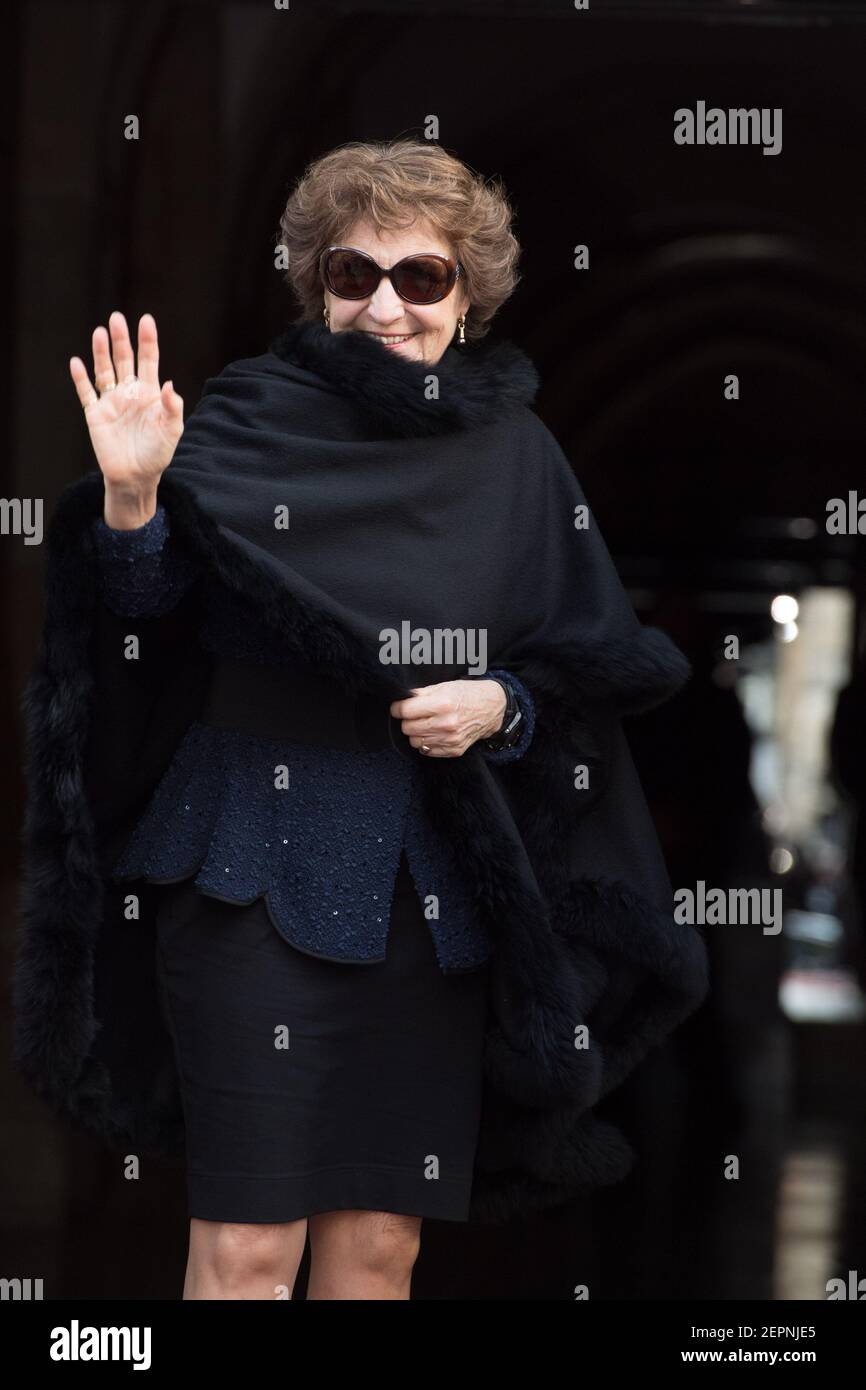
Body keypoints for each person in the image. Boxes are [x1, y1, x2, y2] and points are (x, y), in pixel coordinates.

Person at [13, 138, 709, 1301]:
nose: (384, 303)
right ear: (316, 284)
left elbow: (585, 672)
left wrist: (503, 705)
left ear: (468, 294)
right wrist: (132, 504)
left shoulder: (520, 459)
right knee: (246, 1245)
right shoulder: (244, 415)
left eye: (420, 277)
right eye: (352, 273)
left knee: (379, 1243)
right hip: (246, 872)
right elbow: (143, 630)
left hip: (429, 894)